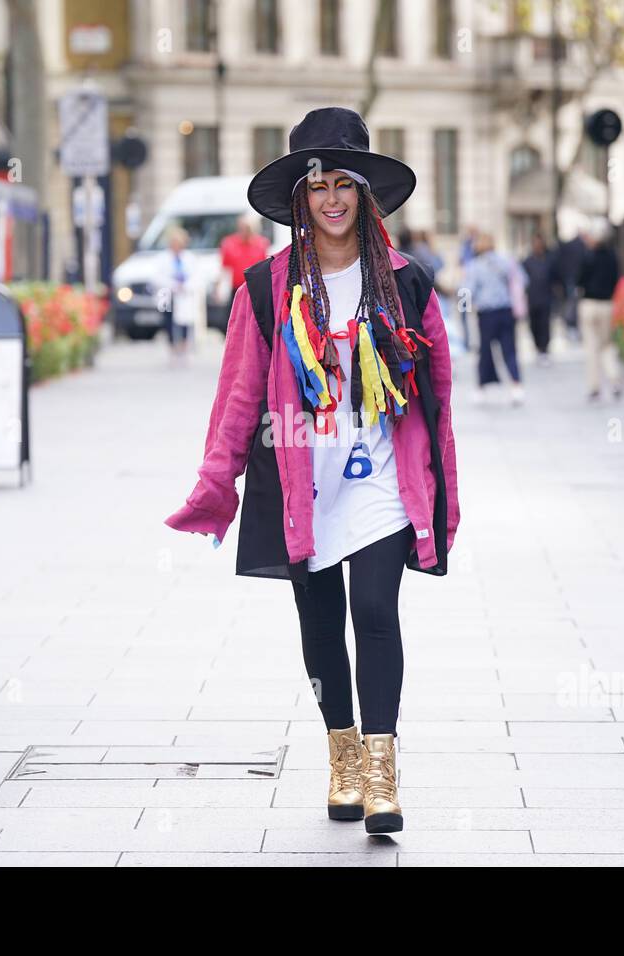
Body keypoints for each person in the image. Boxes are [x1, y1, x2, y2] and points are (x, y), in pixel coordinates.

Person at [166, 107, 459, 835]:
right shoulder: (266, 289)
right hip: (303, 481)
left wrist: (444, 497)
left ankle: (384, 776)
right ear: (301, 198)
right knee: (322, 624)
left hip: (384, 480)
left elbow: (439, 400)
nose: (332, 198)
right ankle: (343, 757)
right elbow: (238, 398)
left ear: (364, 195)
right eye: (318, 185)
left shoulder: (406, 282)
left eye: (345, 184)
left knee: (376, 613)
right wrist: (215, 485)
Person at [464, 232, 525, 405]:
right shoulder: (507, 261)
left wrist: (465, 310)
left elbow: (467, 290)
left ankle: (480, 388)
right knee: (510, 350)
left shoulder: (474, 266)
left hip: (487, 313)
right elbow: (522, 281)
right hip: (506, 310)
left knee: (484, 350)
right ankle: (516, 386)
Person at [577, 220, 622, 400]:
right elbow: (616, 279)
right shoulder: (613, 256)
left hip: (589, 304)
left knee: (592, 346)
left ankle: (594, 386)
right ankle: (614, 379)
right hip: (607, 304)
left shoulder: (588, 256)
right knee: (607, 345)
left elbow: (579, 280)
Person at [151, 226, 202, 363]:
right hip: (166, 293)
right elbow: (156, 277)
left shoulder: (189, 258)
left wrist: (185, 286)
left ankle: (184, 346)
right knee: (167, 319)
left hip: (184, 294)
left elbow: (196, 276)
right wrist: (173, 285)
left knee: (185, 320)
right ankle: (172, 347)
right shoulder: (162, 258)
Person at [521, 232, 554, 366]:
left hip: (546, 298)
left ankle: (544, 349)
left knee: (545, 325)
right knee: (534, 325)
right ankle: (537, 348)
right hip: (532, 298)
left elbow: (554, 277)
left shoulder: (549, 260)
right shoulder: (527, 261)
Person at [219, 214, 270, 299]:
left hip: (257, 288)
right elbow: (224, 268)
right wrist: (220, 288)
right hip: (237, 289)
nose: (245, 231)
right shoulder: (229, 243)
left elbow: (266, 267)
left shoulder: (262, 243)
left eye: (248, 228)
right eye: (242, 228)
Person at [554, 228, 586, 341]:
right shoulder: (579, 247)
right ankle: (572, 326)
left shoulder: (565, 248)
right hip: (571, 279)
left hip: (570, 279)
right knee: (572, 304)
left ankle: (572, 327)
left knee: (571, 304)